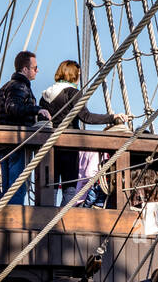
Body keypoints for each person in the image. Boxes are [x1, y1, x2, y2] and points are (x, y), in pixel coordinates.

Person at [39, 60, 128, 204]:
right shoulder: (72, 93)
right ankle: (64, 221)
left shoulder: (45, 96)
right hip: (69, 145)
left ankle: (48, 218)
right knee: (70, 187)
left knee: (51, 186)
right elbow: (86, 117)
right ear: (73, 75)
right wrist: (112, 117)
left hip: (49, 146)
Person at [0, 50, 51, 205]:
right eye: (34, 68)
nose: (37, 70)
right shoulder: (19, 86)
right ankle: (14, 220)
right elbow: (12, 107)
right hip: (16, 143)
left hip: (5, 143)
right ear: (25, 69)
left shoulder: (8, 86)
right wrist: (37, 110)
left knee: (8, 188)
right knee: (17, 187)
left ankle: (7, 217)